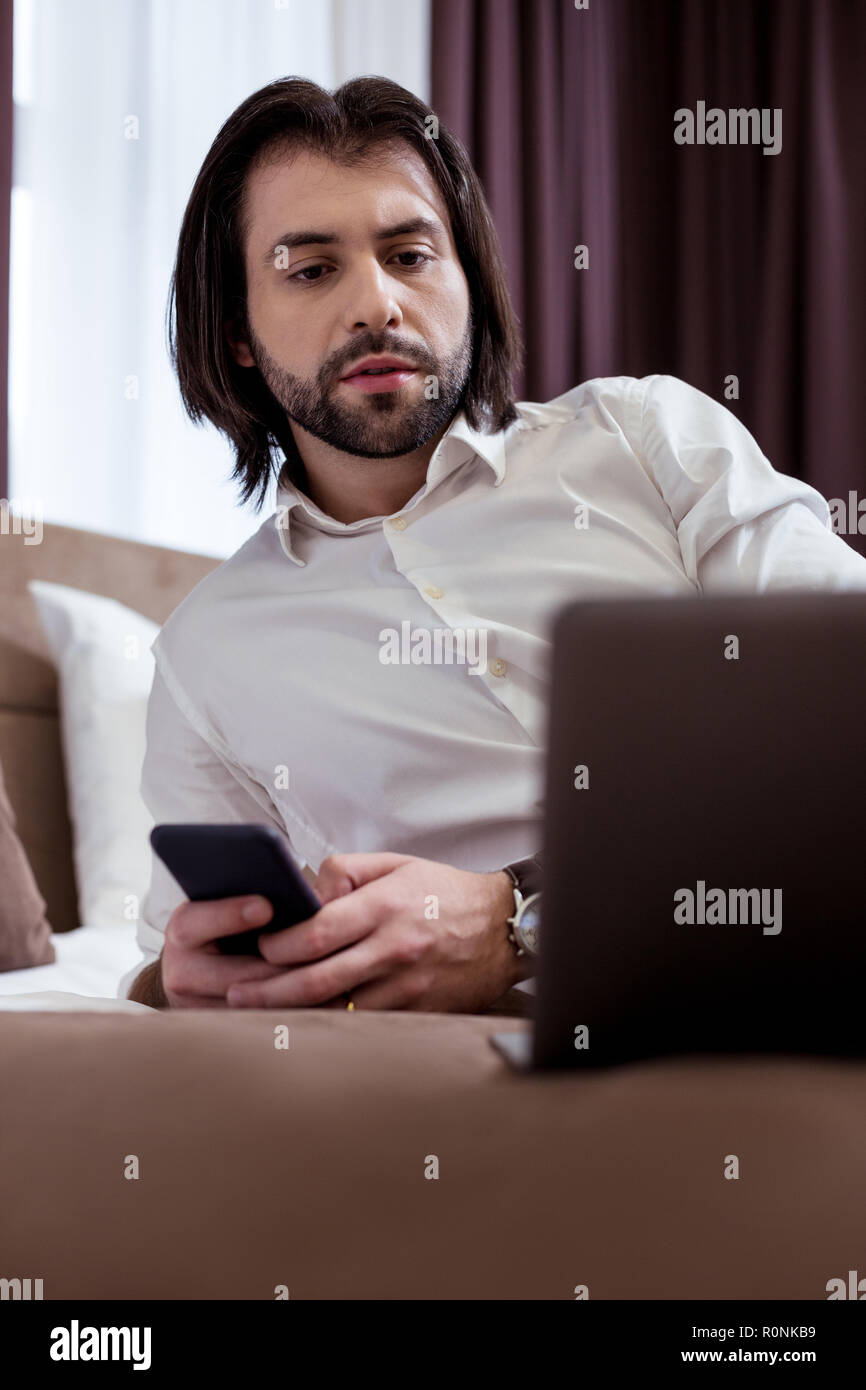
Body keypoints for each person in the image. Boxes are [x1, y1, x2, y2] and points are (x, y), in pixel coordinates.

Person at [123, 76, 866, 1011]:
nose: (378, 305)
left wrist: (520, 920)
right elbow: (169, 962)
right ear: (235, 332)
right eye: (311, 269)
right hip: (456, 1101)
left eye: (410, 254)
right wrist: (181, 984)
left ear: (467, 281)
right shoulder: (205, 655)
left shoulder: (649, 441)